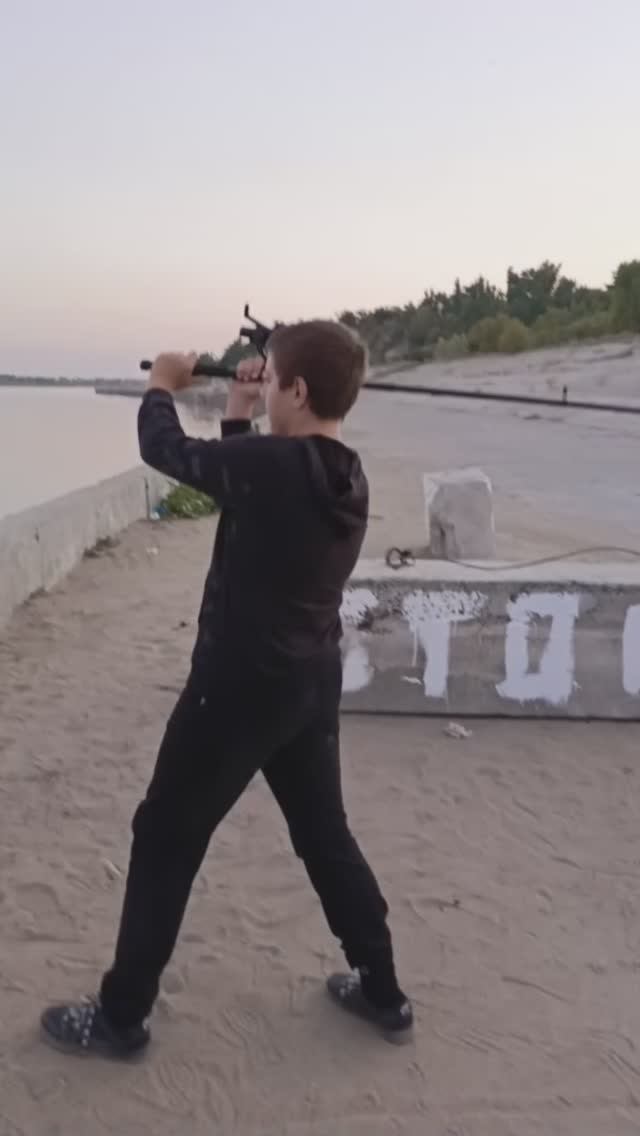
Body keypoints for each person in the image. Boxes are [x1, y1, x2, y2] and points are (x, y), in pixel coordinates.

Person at [40, 320, 413, 1058]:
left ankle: (121, 1015)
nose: (261, 386)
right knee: (324, 835)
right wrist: (238, 411)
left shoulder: (276, 467)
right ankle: (383, 989)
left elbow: (167, 451)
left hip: (237, 690)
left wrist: (163, 385)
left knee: (165, 835)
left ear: (297, 391)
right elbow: (252, 487)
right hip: (306, 682)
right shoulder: (344, 474)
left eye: (270, 380)